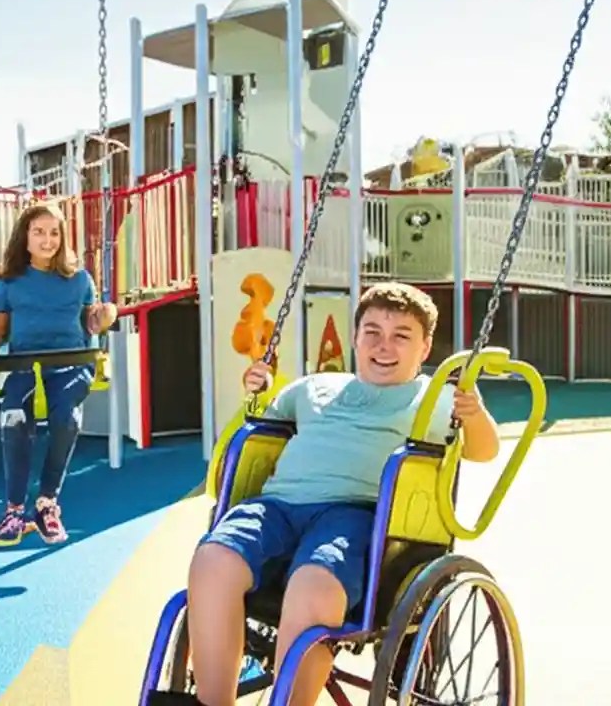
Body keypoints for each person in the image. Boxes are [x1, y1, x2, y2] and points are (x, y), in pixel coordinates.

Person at [185, 282, 501, 706]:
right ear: (355, 338)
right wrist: (256, 390)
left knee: (314, 587)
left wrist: (474, 413)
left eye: (401, 336)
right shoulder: (314, 387)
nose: (383, 345)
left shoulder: (437, 397)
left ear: (425, 348)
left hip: (354, 514)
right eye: (372, 332)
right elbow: (259, 426)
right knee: (212, 560)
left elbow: (484, 450)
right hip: (277, 506)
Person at [0, 203, 117, 547]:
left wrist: (106, 316)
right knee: (14, 418)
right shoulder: (9, 282)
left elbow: (91, 323)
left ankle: (47, 504)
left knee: (66, 417)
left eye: (54, 232)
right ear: (24, 238)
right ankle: (13, 510)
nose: (47, 239)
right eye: (39, 232)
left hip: (71, 363)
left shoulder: (80, 279)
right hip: (25, 364)